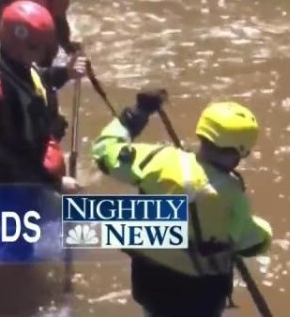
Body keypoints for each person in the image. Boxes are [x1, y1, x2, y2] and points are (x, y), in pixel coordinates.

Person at [92, 95, 273, 317]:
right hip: (200, 301)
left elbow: (104, 150)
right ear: (238, 153)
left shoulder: (156, 160)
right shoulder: (232, 199)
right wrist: (265, 232)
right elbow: (253, 242)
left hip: (152, 290)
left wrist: (139, 112)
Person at [0, 0, 85, 283]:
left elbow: (34, 80)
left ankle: (18, 279)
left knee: (22, 231)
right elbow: (9, 150)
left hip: (20, 170)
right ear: (18, 44)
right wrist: (55, 183)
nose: (43, 54)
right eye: (38, 48)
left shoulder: (10, 55)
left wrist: (65, 72)